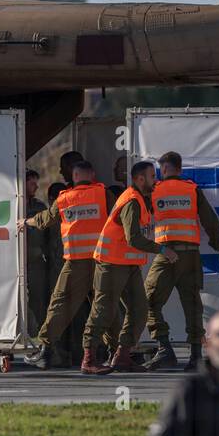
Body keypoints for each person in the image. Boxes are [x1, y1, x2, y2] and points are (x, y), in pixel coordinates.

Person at [81, 160, 177, 374]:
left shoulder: (142, 199)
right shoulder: (132, 201)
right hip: (111, 263)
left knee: (139, 310)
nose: (156, 180)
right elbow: (133, 238)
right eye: (152, 176)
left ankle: (122, 357)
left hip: (128, 264)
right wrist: (162, 250)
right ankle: (89, 359)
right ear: (139, 179)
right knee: (103, 310)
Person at [18, 160, 113, 369]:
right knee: (105, 305)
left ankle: (46, 350)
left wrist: (25, 222)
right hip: (102, 261)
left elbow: (44, 220)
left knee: (59, 305)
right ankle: (117, 351)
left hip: (75, 263)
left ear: (75, 176)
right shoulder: (103, 194)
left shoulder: (66, 198)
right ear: (93, 174)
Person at [144, 151, 219, 372]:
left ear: (164, 169)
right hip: (190, 255)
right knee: (192, 306)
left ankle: (164, 348)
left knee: (147, 301)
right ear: (179, 168)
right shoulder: (192, 189)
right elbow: (211, 221)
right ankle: (196, 357)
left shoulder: (154, 190)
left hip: (166, 255)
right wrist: (217, 245)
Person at [23, 169, 50, 337]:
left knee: (38, 301)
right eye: (32, 182)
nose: (36, 186)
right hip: (14, 262)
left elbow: (49, 235)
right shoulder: (11, 205)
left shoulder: (40, 207)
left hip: (36, 262)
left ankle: (38, 338)